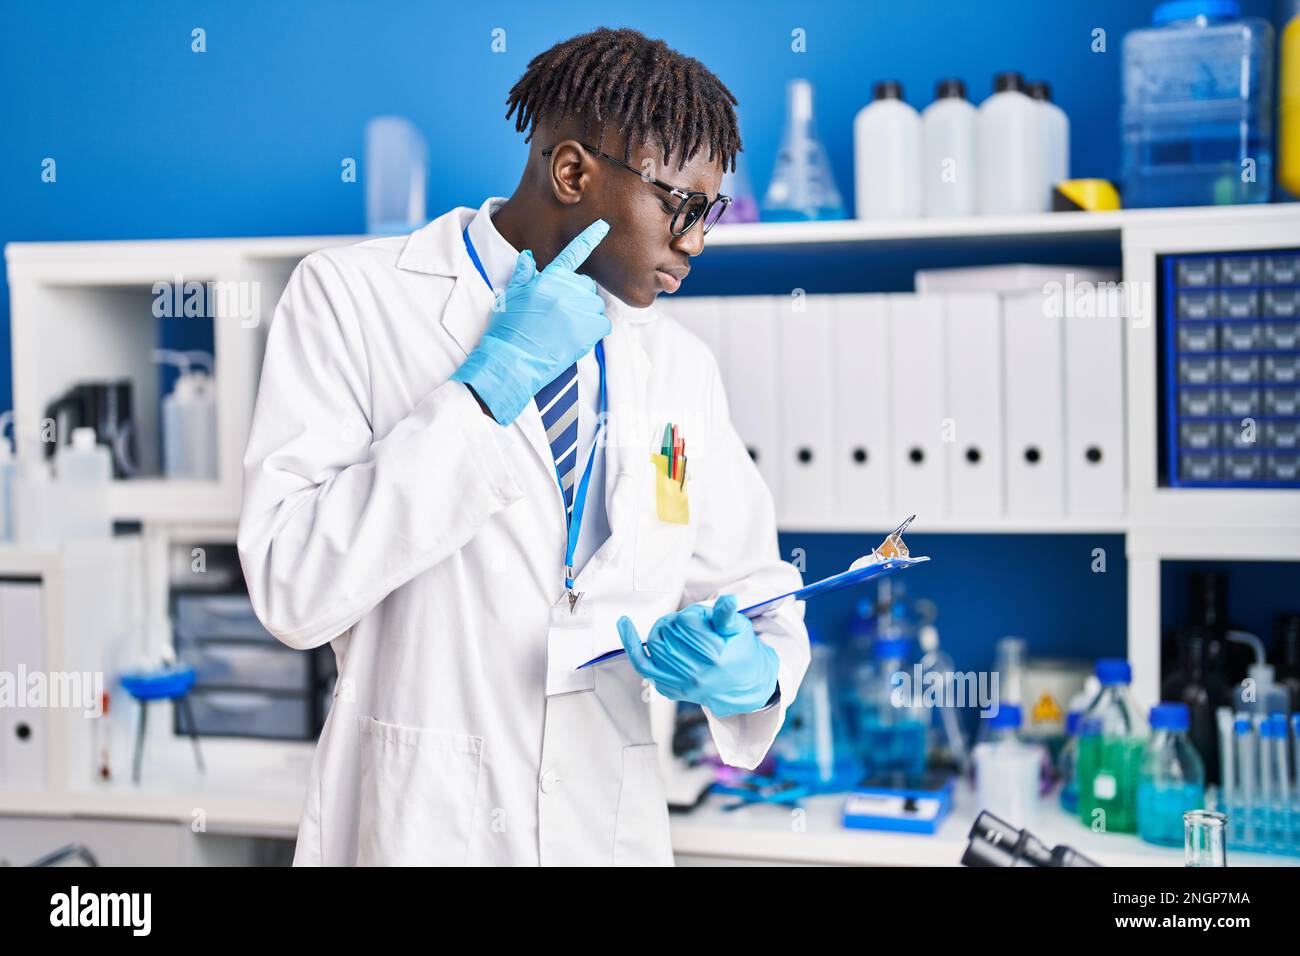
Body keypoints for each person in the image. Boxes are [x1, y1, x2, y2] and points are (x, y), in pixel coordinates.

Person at [237, 26, 808, 866]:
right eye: (678, 206)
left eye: (708, 213)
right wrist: (483, 393)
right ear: (572, 172)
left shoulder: (678, 365)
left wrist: (750, 674)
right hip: (419, 830)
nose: (694, 241)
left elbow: (758, 593)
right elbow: (292, 587)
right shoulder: (352, 299)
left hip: (604, 834)